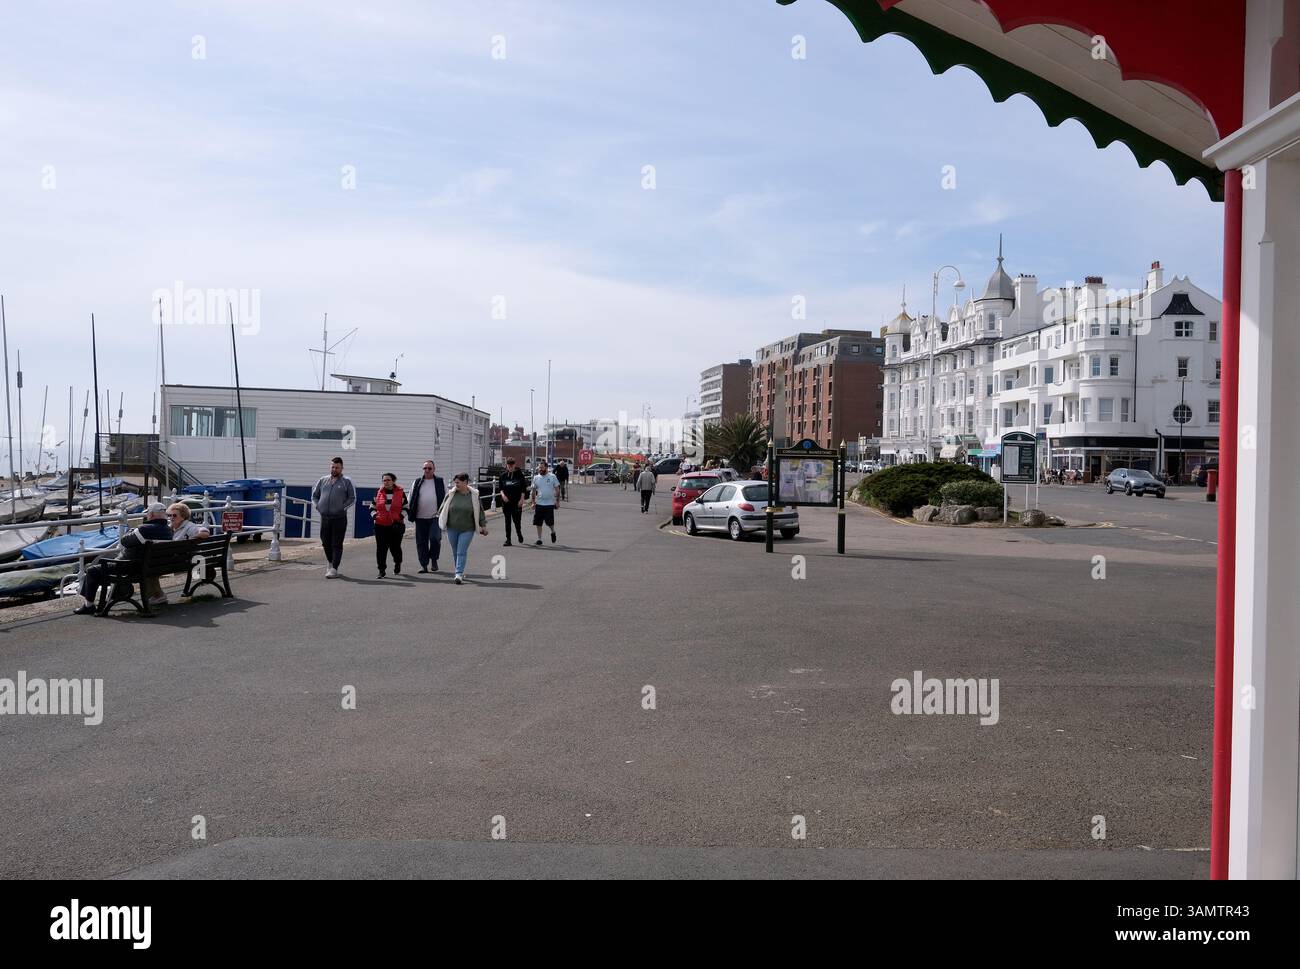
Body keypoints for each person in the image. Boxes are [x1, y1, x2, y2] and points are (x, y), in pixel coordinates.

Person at [73, 502, 173, 615]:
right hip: (151, 567)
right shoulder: (169, 531)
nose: (146, 516)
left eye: (148, 514)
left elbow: (124, 541)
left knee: (92, 570)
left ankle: (89, 605)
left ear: (152, 515)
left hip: (130, 567)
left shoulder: (145, 529)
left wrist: (132, 531)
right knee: (103, 568)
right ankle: (112, 596)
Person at [144, 502, 211, 608]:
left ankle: (155, 596)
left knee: (148, 568)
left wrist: (194, 537)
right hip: (180, 561)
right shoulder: (170, 528)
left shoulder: (189, 526)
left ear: (184, 517)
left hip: (182, 562)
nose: (171, 518)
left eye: (174, 515)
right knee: (150, 565)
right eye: (169, 515)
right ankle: (156, 596)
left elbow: (205, 531)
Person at [437, 472, 488, 584]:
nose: (456, 485)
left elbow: (480, 512)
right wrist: (439, 517)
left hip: (467, 528)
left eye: (458, 482)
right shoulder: (451, 494)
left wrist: (483, 526)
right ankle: (458, 571)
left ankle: (459, 573)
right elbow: (443, 508)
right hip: (452, 527)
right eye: (455, 482)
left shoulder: (474, 495)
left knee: (461, 551)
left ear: (466, 482)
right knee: (455, 551)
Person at [313, 457, 355, 578]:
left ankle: (334, 568)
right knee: (325, 542)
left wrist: (341, 508)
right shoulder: (323, 480)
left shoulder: (346, 481)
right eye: (332, 467)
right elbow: (314, 496)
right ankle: (330, 562)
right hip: (325, 517)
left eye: (337, 467)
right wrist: (318, 507)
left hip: (339, 518)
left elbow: (352, 498)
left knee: (336, 543)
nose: (334, 469)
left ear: (342, 468)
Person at [407, 460, 446, 573]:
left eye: (429, 468)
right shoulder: (417, 482)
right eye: (425, 468)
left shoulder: (439, 481)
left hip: (436, 516)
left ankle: (434, 559)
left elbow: (447, 497)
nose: (427, 470)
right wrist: (410, 511)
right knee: (421, 542)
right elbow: (410, 497)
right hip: (420, 517)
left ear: (434, 469)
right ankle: (424, 565)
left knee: (435, 538)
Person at [371, 472, 406, 578]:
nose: (386, 482)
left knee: (395, 547)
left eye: (388, 480)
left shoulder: (400, 492)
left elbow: (406, 507)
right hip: (380, 525)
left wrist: (400, 517)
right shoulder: (378, 492)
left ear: (393, 481)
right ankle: (381, 570)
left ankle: (397, 562)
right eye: (384, 480)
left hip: (395, 525)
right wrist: (374, 516)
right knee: (381, 548)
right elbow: (372, 507)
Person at [530, 460, 561, 545]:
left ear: (546, 467)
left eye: (542, 467)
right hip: (539, 503)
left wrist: (557, 502)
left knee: (549, 522)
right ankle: (539, 539)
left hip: (550, 504)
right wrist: (533, 502)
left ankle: (553, 531)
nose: (540, 469)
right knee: (538, 522)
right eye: (539, 467)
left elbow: (557, 490)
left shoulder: (552, 476)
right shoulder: (536, 478)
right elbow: (533, 491)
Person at [497, 458, 527, 546]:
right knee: (507, 521)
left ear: (514, 465)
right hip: (506, 502)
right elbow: (501, 488)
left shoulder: (519, 475)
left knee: (517, 521)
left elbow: (523, 489)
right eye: (508, 466)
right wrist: (503, 496)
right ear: (506, 466)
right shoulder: (503, 476)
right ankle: (508, 539)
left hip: (517, 501)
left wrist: (522, 499)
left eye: (512, 466)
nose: (510, 467)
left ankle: (519, 533)